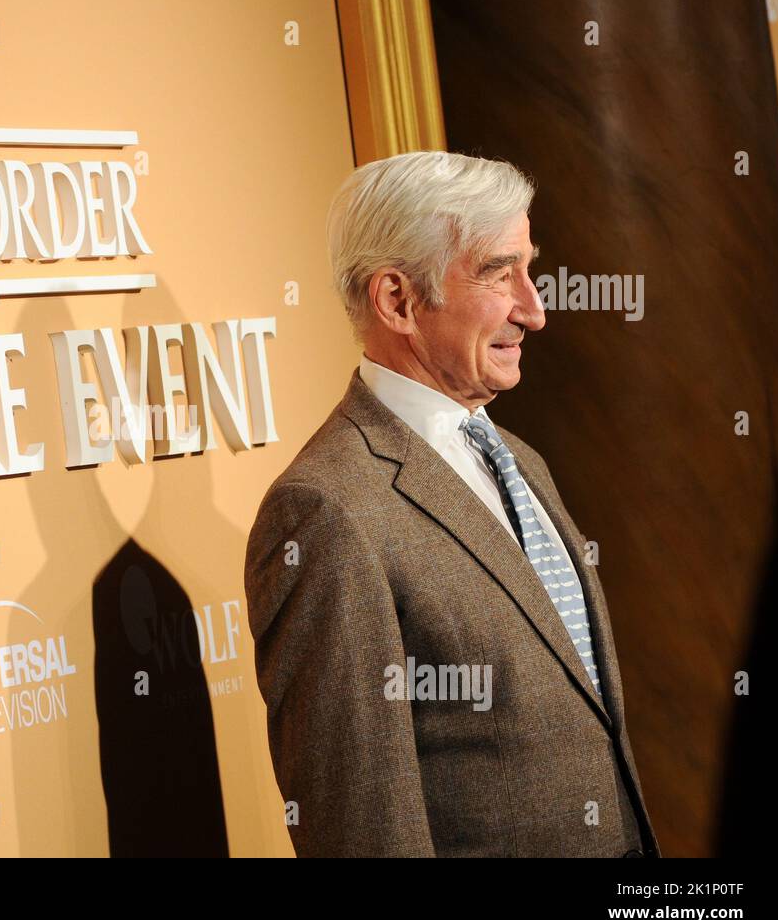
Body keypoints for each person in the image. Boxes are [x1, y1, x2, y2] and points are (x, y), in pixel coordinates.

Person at [244, 151, 659, 857]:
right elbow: (362, 826)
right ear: (397, 300)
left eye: (529, 268)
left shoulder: (521, 459)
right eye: (500, 273)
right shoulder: (326, 512)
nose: (535, 309)